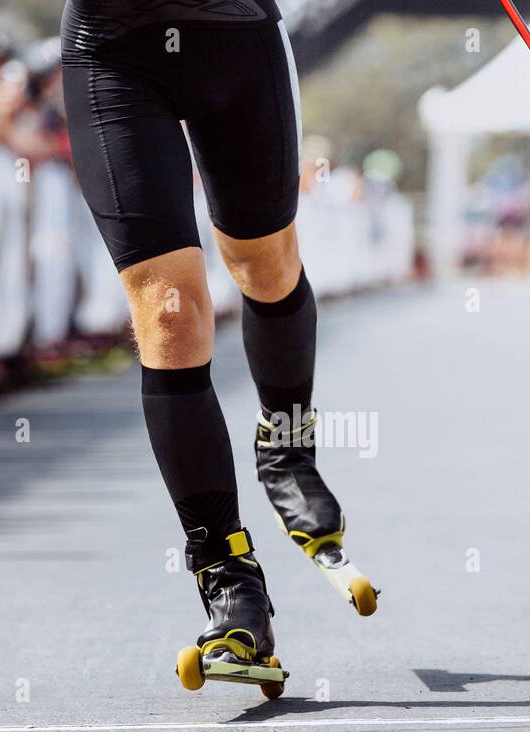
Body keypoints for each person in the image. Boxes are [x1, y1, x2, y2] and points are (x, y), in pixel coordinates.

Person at [60, 0, 367, 677]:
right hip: (113, 47)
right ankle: (228, 578)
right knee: (169, 316)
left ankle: (285, 447)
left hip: (236, 38)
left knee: (265, 264)